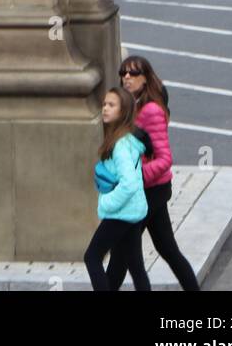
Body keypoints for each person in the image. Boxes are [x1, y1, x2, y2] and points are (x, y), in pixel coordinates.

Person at [106, 57, 200, 292]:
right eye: (123, 73)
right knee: (166, 249)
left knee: (120, 255)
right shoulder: (132, 106)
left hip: (148, 192)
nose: (127, 77)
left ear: (145, 78)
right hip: (149, 191)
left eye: (134, 73)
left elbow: (165, 159)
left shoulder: (151, 111)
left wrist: (135, 175)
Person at [84, 86, 150, 292]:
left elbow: (129, 183)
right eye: (104, 104)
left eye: (111, 105)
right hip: (133, 212)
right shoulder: (127, 140)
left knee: (92, 257)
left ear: (123, 112)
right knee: (135, 267)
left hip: (121, 212)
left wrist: (107, 203)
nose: (105, 108)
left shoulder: (121, 145)